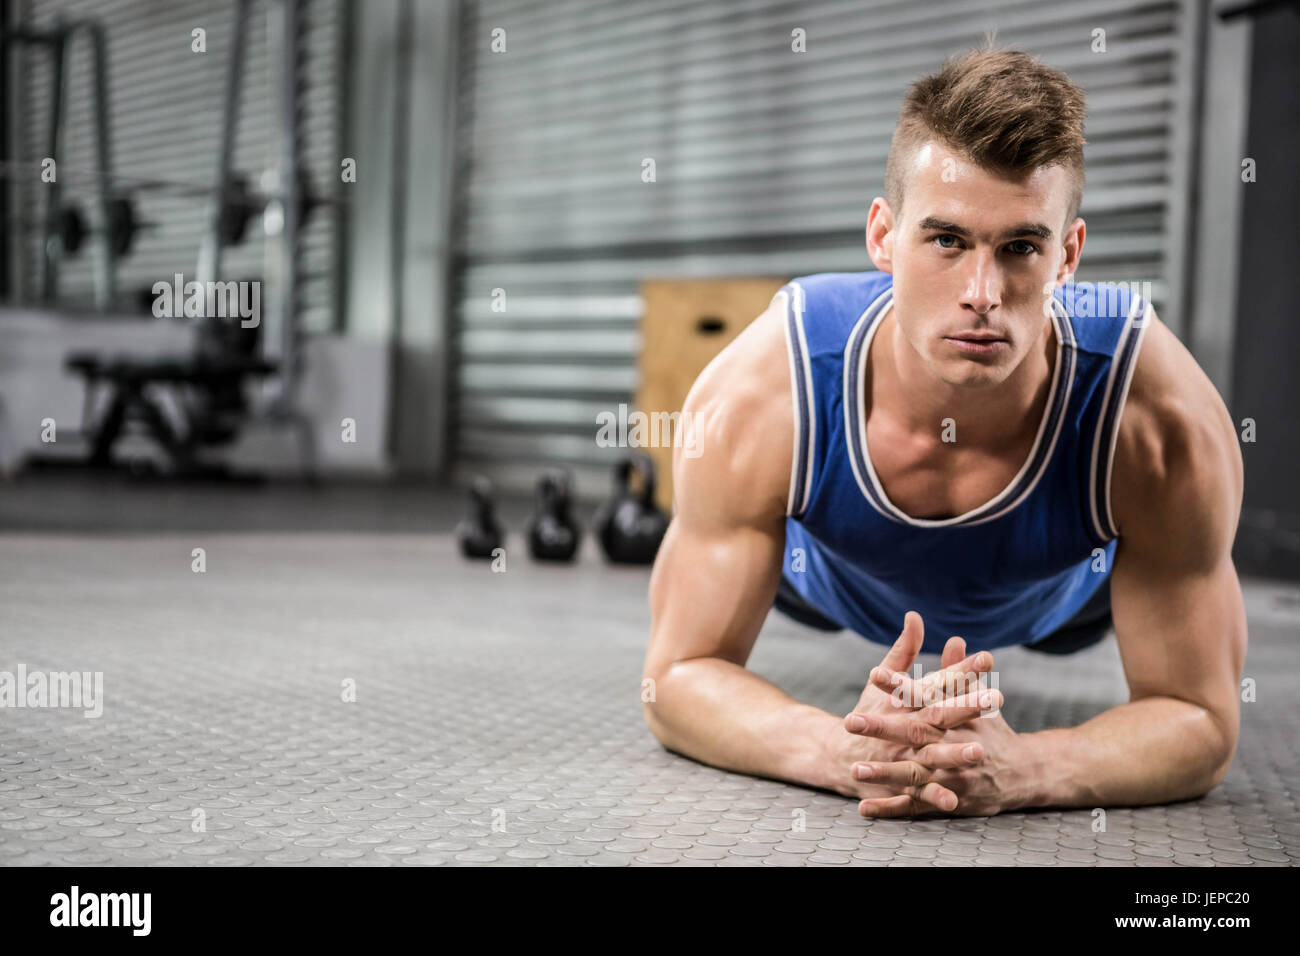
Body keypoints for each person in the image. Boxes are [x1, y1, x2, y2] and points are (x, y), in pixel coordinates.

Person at [641, 48, 1246, 818]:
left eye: (1021, 247)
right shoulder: (767, 391)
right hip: (829, 577)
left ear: (1068, 256)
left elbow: (1201, 721)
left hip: (1059, 598)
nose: (982, 294)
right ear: (882, 236)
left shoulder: (1158, 419)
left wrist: (1027, 767)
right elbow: (677, 678)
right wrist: (844, 750)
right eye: (947, 240)